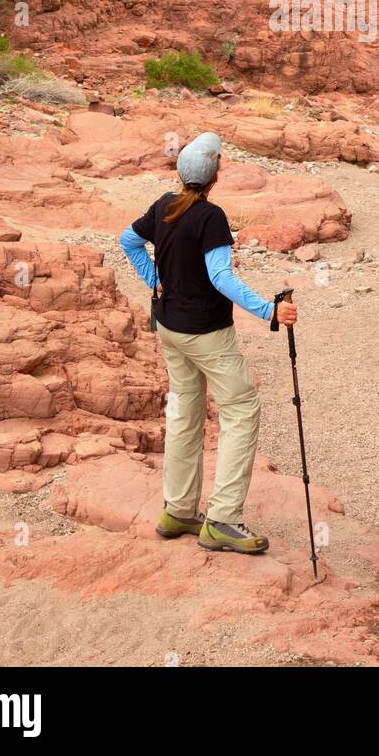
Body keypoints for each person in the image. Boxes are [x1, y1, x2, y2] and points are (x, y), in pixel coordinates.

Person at [119, 130, 297, 555]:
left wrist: (156, 282)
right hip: (205, 334)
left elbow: (128, 241)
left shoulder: (163, 205)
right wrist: (269, 311)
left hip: (169, 328)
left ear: (181, 173)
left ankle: (178, 510)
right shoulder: (210, 216)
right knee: (240, 409)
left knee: (184, 409)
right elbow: (220, 277)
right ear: (215, 175)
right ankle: (221, 520)